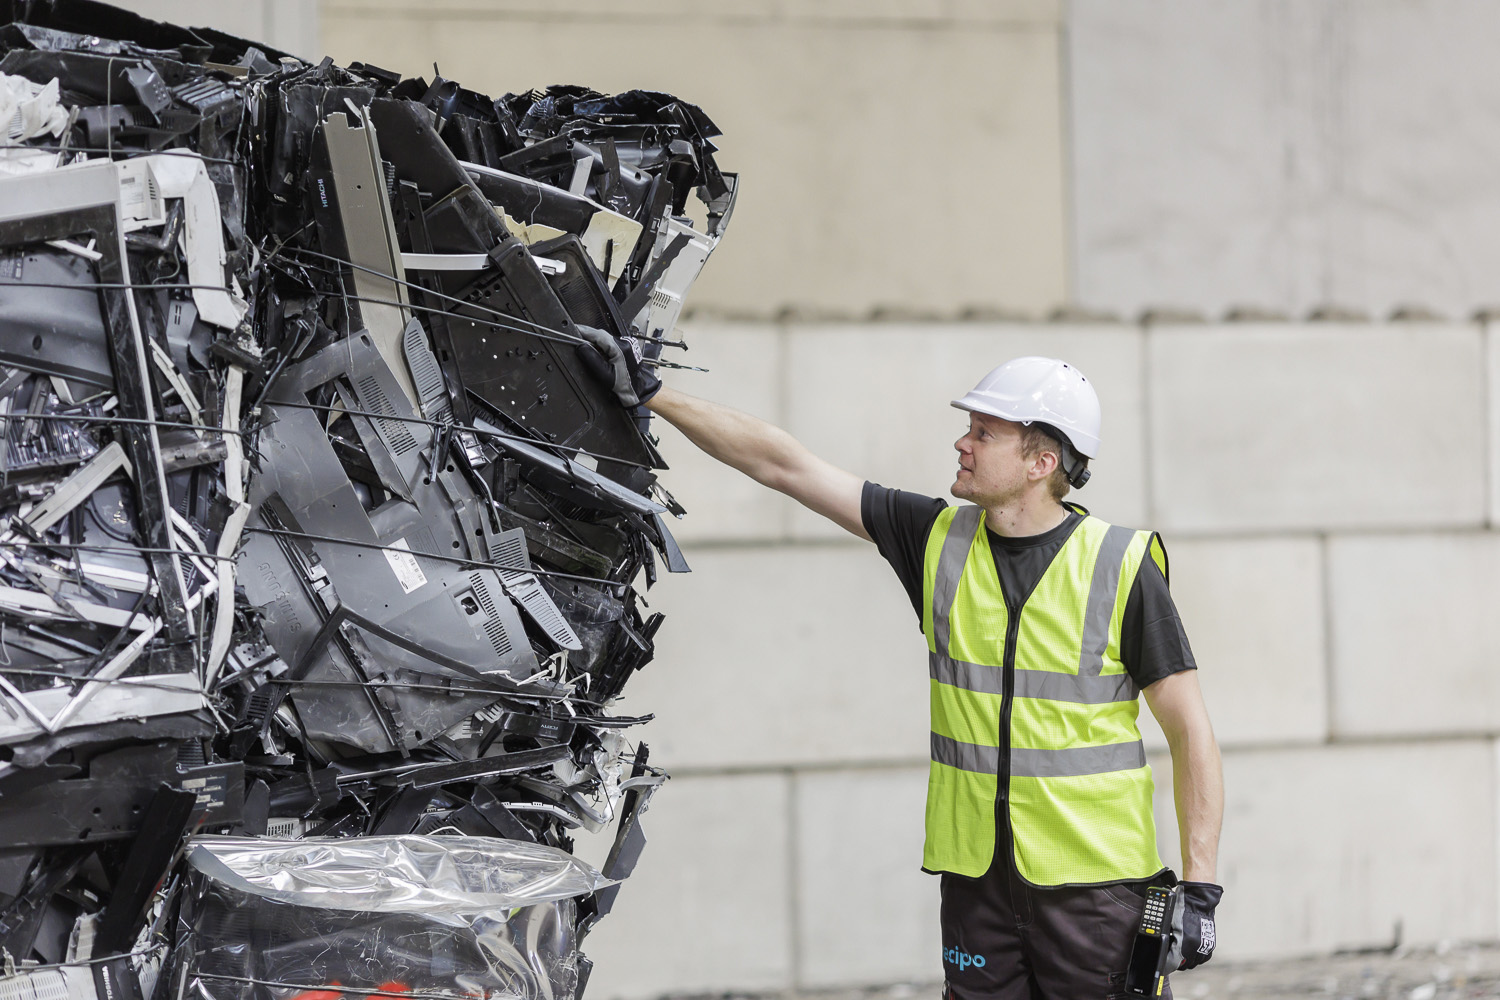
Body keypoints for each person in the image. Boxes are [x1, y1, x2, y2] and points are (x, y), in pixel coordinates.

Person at [597, 344, 1224, 999]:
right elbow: (783, 465)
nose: (962, 442)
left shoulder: (1120, 566)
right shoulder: (936, 540)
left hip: (1097, 891)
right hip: (978, 887)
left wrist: (1200, 886)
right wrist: (653, 395)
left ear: (1042, 462)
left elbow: (1190, 733)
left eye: (985, 433)